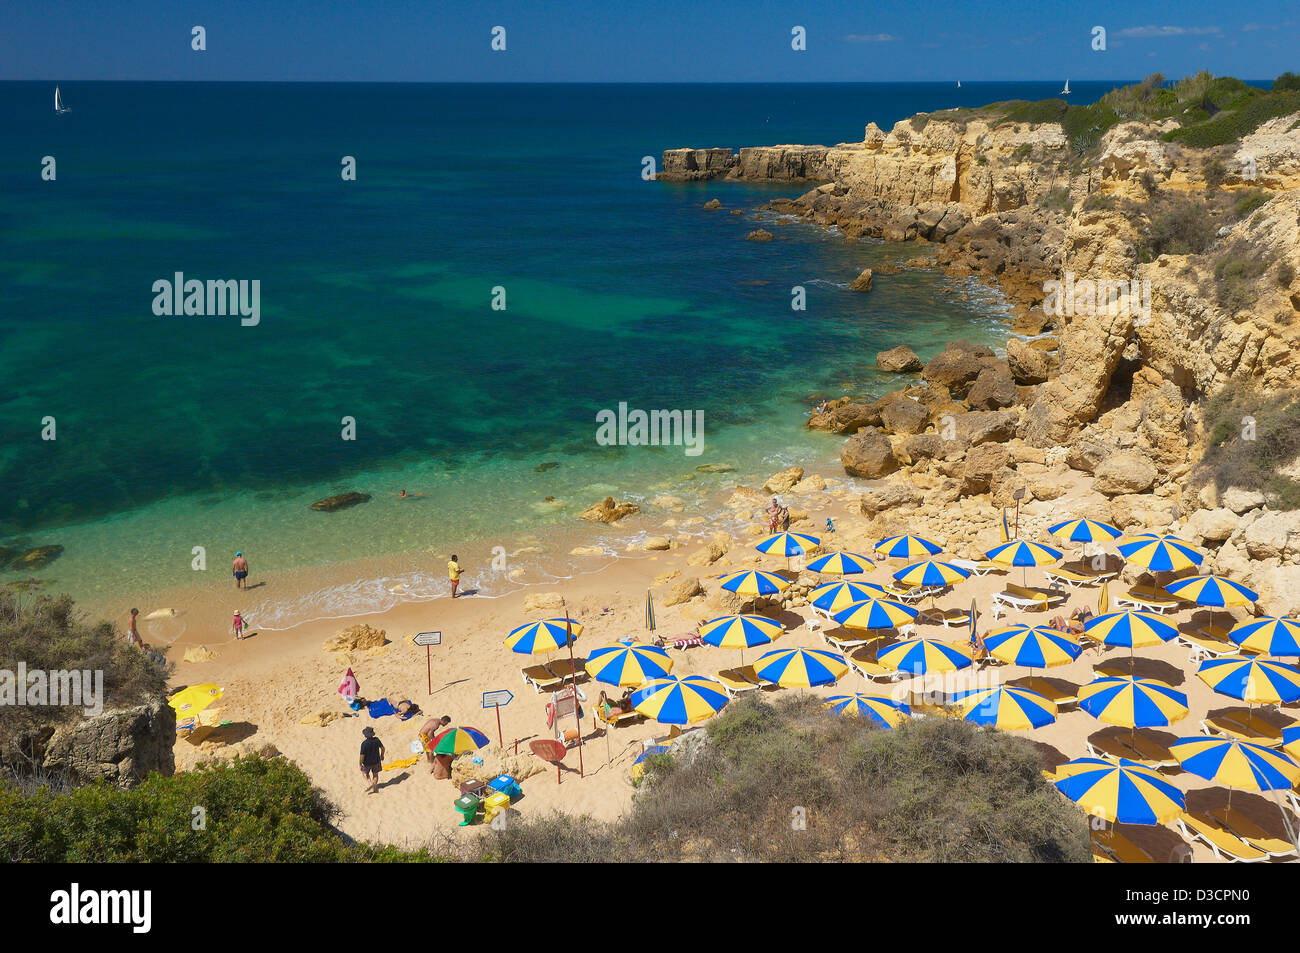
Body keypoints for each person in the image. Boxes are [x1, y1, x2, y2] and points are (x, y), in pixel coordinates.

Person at [359, 727, 385, 794]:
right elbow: (383, 748)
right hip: (376, 761)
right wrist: (382, 755)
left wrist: (360, 764)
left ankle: (370, 784)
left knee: (365, 773)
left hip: (367, 763)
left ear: (365, 735)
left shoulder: (364, 744)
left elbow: (362, 756)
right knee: (375, 775)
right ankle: (374, 788)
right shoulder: (376, 740)